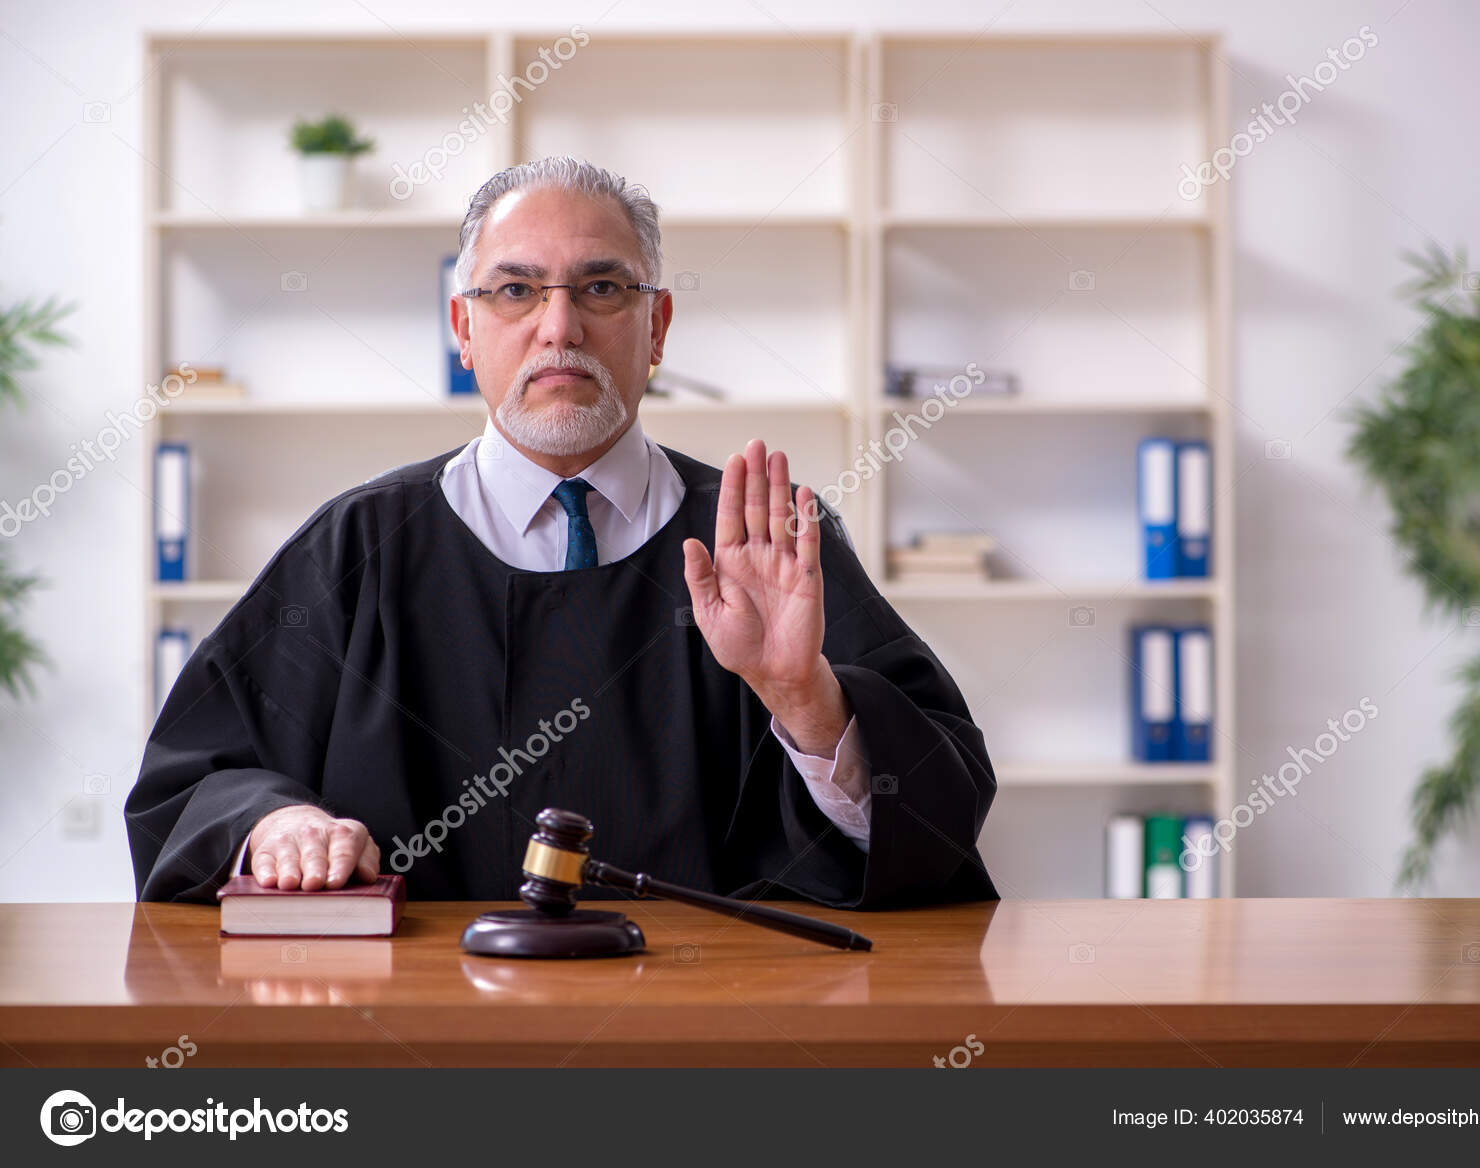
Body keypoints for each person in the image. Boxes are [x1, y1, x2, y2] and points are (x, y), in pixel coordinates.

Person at [125, 156, 999, 908]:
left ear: (655, 328)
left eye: (602, 288)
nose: (559, 327)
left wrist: (805, 698)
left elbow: (940, 814)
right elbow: (191, 781)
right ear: (464, 329)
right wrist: (279, 824)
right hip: (416, 1045)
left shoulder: (768, 542)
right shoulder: (359, 548)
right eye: (515, 290)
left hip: (717, 1041)